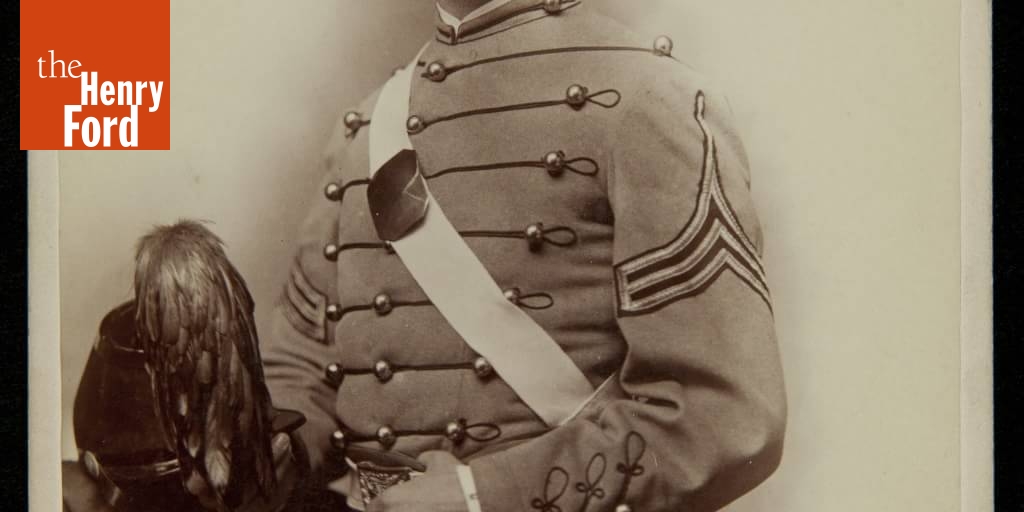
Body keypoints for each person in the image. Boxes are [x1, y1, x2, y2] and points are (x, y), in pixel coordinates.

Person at [263, 1, 787, 511]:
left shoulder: (647, 97)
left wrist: (484, 496)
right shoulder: (367, 125)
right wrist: (274, 448)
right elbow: (305, 361)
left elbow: (720, 413)